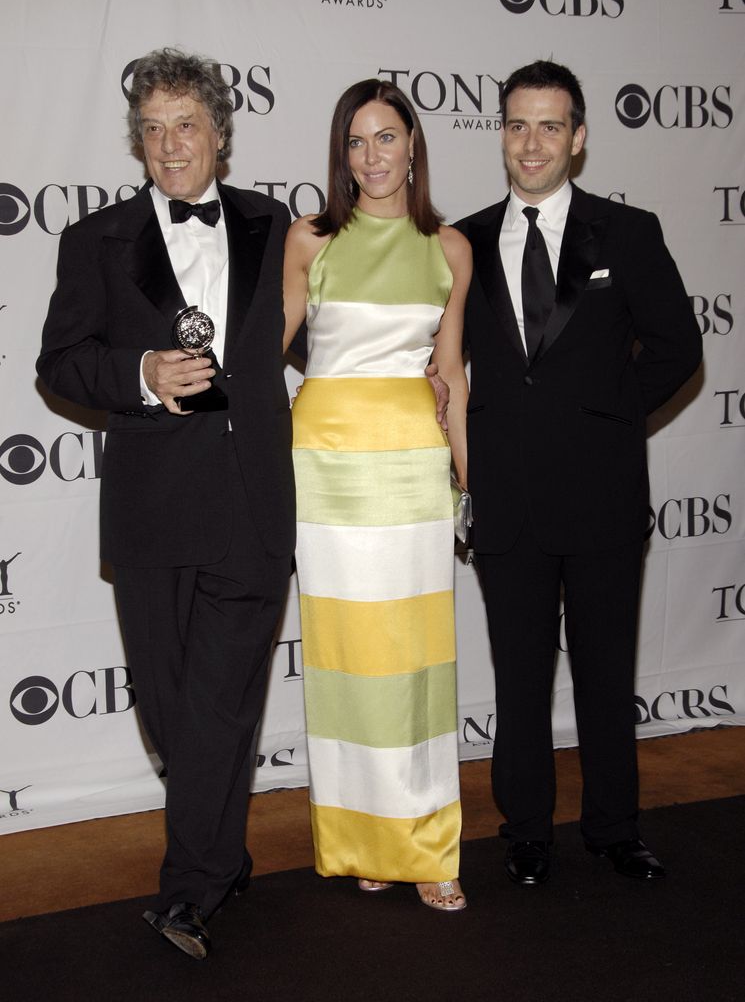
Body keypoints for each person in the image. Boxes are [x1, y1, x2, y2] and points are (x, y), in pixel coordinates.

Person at [37, 48, 294, 958]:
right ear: (136, 143)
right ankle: (220, 849)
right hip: (152, 509)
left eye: (185, 124)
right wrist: (139, 374)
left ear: (219, 135)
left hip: (254, 503)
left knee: (222, 702)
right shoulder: (95, 240)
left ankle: (186, 891)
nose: (169, 144)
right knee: (172, 708)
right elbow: (59, 365)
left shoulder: (277, 224)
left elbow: (334, 327)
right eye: (152, 129)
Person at [454, 60, 702, 886]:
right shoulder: (462, 241)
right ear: (501, 133)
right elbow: (429, 360)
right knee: (518, 679)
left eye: (550, 126)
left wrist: (604, 414)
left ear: (579, 138)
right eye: (518, 124)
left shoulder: (628, 233)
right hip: (505, 500)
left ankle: (613, 828)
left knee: (605, 671)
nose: (532, 143)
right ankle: (525, 832)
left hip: (600, 495)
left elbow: (676, 348)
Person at [283, 79, 471, 911]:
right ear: (341, 154)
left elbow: (452, 377)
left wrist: (470, 477)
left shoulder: (451, 248)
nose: (372, 157)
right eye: (356, 142)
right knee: (345, 656)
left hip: (412, 466)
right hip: (324, 467)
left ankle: (428, 848)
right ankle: (365, 836)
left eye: (386, 137)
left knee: (417, 656)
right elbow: (265, 357)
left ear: (412, 144)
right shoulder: (308, 238)